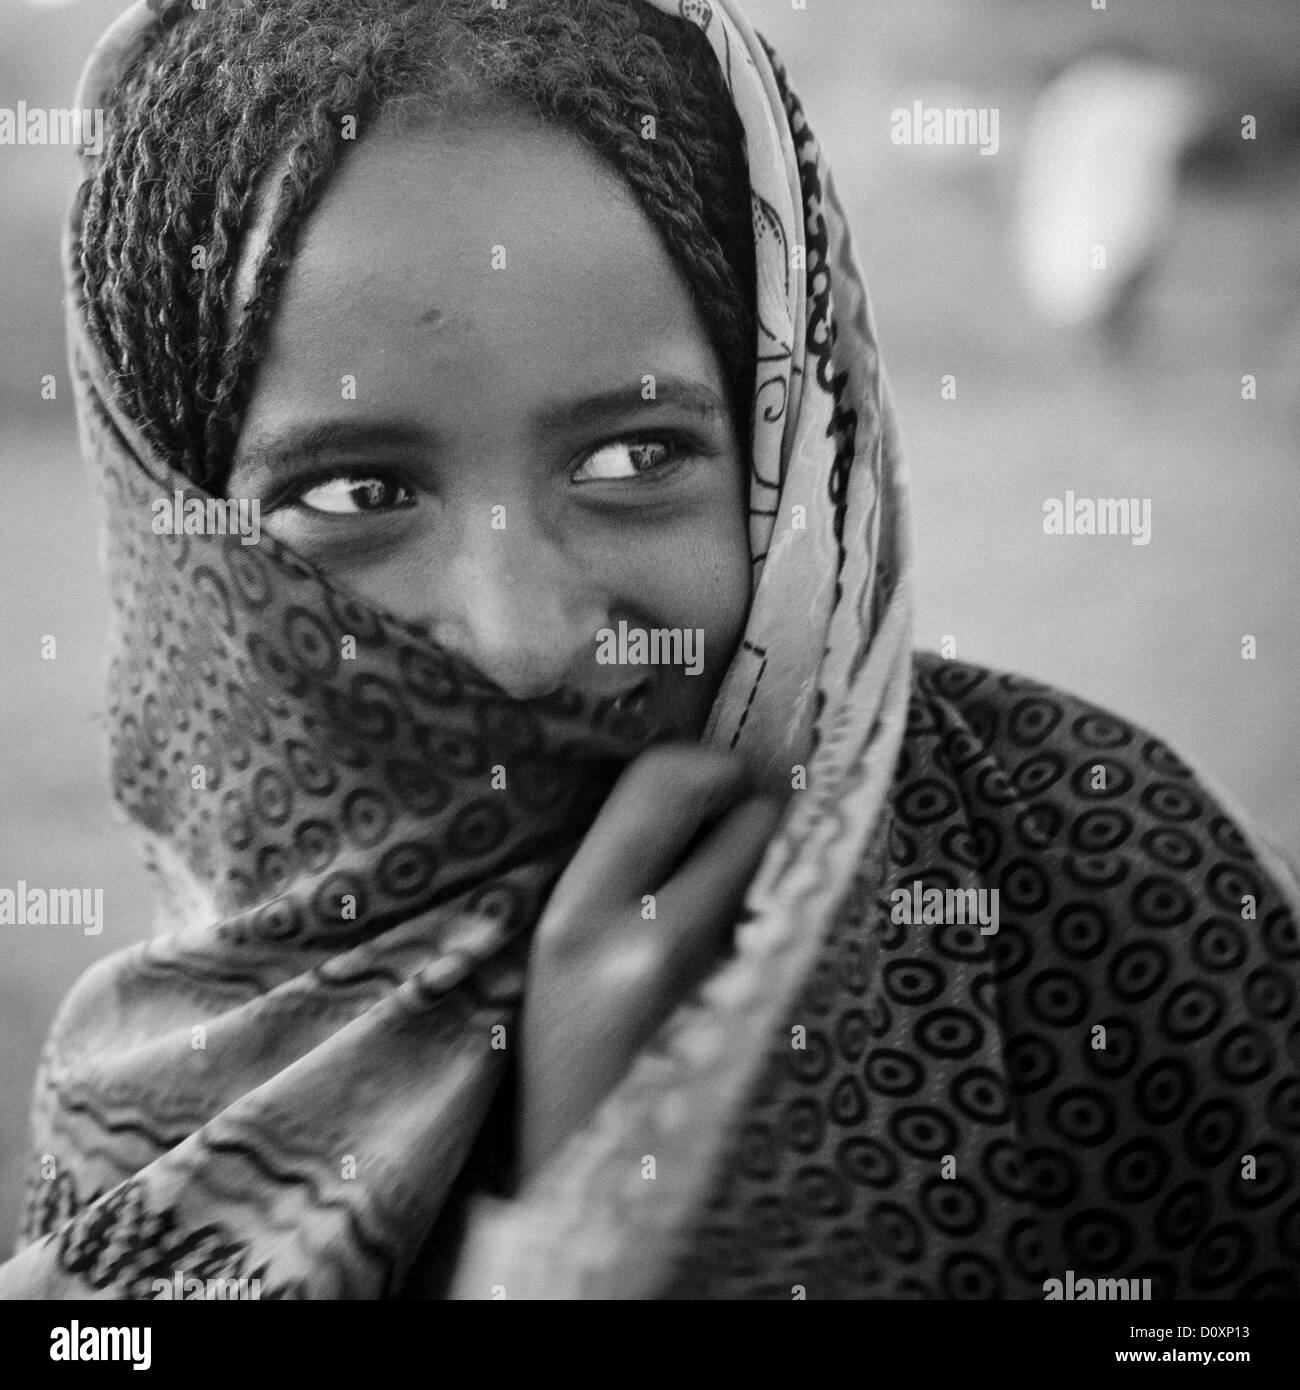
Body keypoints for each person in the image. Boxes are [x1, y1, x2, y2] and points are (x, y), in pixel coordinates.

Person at [3, 0, 1297, 1301]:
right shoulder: (151, 1103)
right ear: (189, 569)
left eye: (635, 457)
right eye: (357, 493)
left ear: (790, 456)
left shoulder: (1116, 885)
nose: (522, 640)